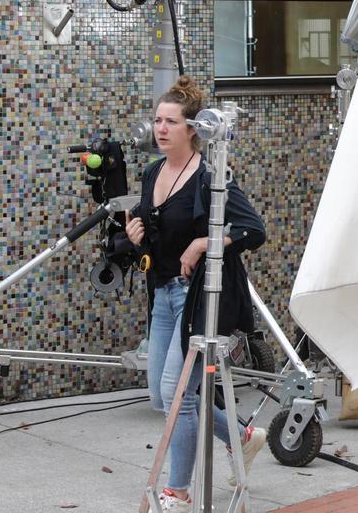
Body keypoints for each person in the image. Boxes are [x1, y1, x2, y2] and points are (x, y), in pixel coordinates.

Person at [125, 76, 268, 512]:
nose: (160, 129)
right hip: (163, 296)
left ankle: (178, 492)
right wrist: (137, 237)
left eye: (170, 122)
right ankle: (240, 436)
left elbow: (252, 230)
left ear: (193, 129)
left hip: (196, 299)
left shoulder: (210, 176)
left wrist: (206, 241)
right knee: (161, 395)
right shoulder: (153, 172)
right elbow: (157, 236)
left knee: (178, 394)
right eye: (157, 120)